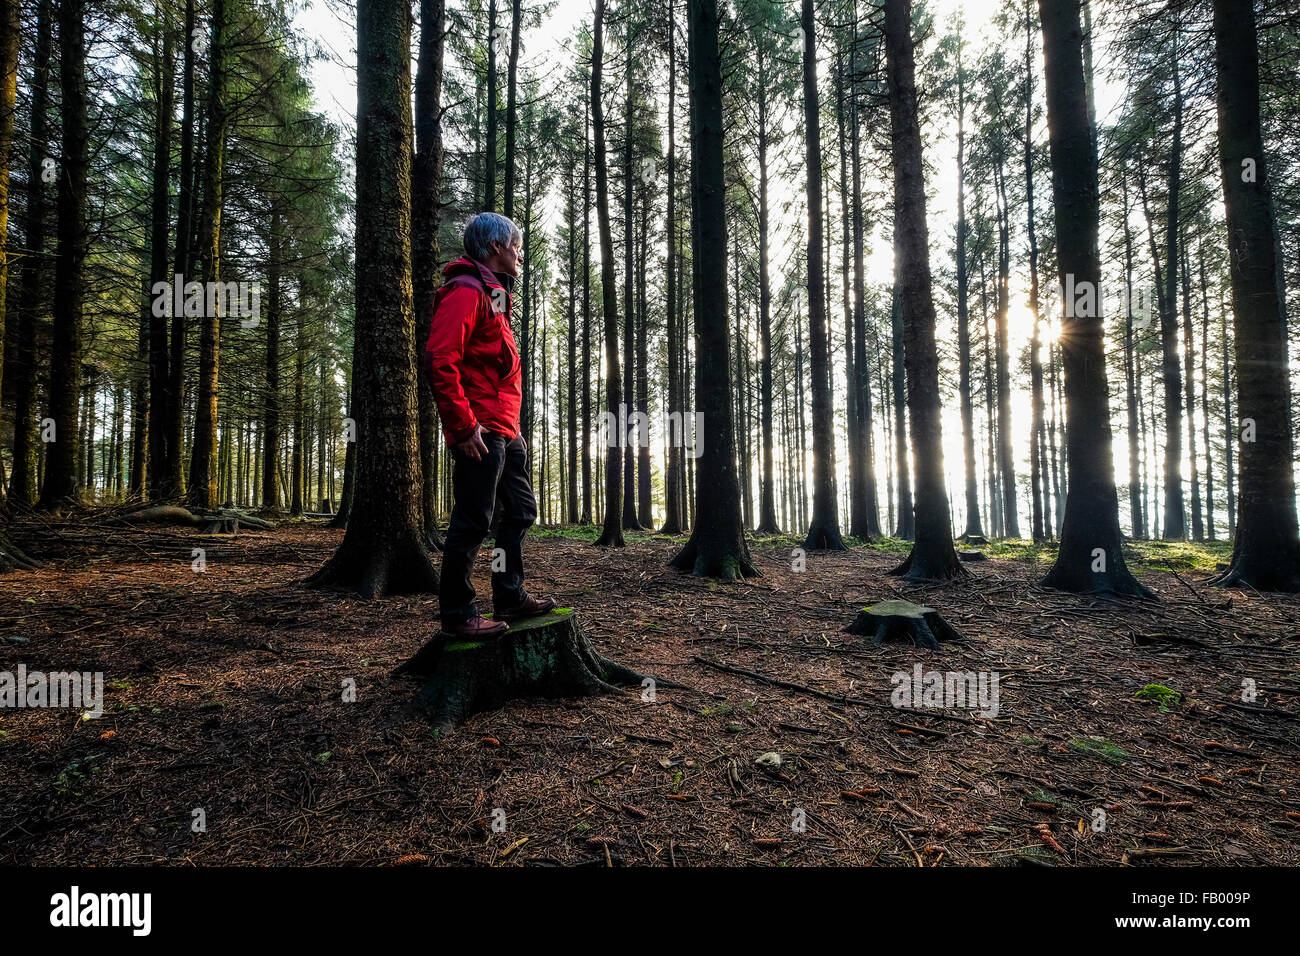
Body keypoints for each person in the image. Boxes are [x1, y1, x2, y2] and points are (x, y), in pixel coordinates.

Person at [423, 212, 556, 637]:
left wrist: (511, 426)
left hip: (505, 426)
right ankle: (458, 615)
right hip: (479, 428)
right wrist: (462, 427)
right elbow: (440, 360)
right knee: (473, 520)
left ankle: (509, 595)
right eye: (515, 245)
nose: (520, 253)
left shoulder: (495, 294)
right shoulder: (464, 291)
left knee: (519, 511)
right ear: (496, 247)